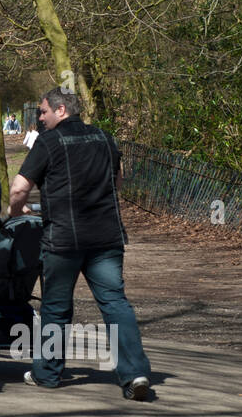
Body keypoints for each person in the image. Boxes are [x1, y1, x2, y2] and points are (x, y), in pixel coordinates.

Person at [8, 88, 152, 400]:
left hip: (63, 240)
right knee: (115, 304)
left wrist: (16, 212)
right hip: (106, 237)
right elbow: (118, 180)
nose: (40, 118)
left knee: (56, 309)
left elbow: (19, 188)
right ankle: (135, 373)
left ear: (61, 110)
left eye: (43, 111)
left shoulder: (48, 142)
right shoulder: (104, 138)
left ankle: (47, 374)